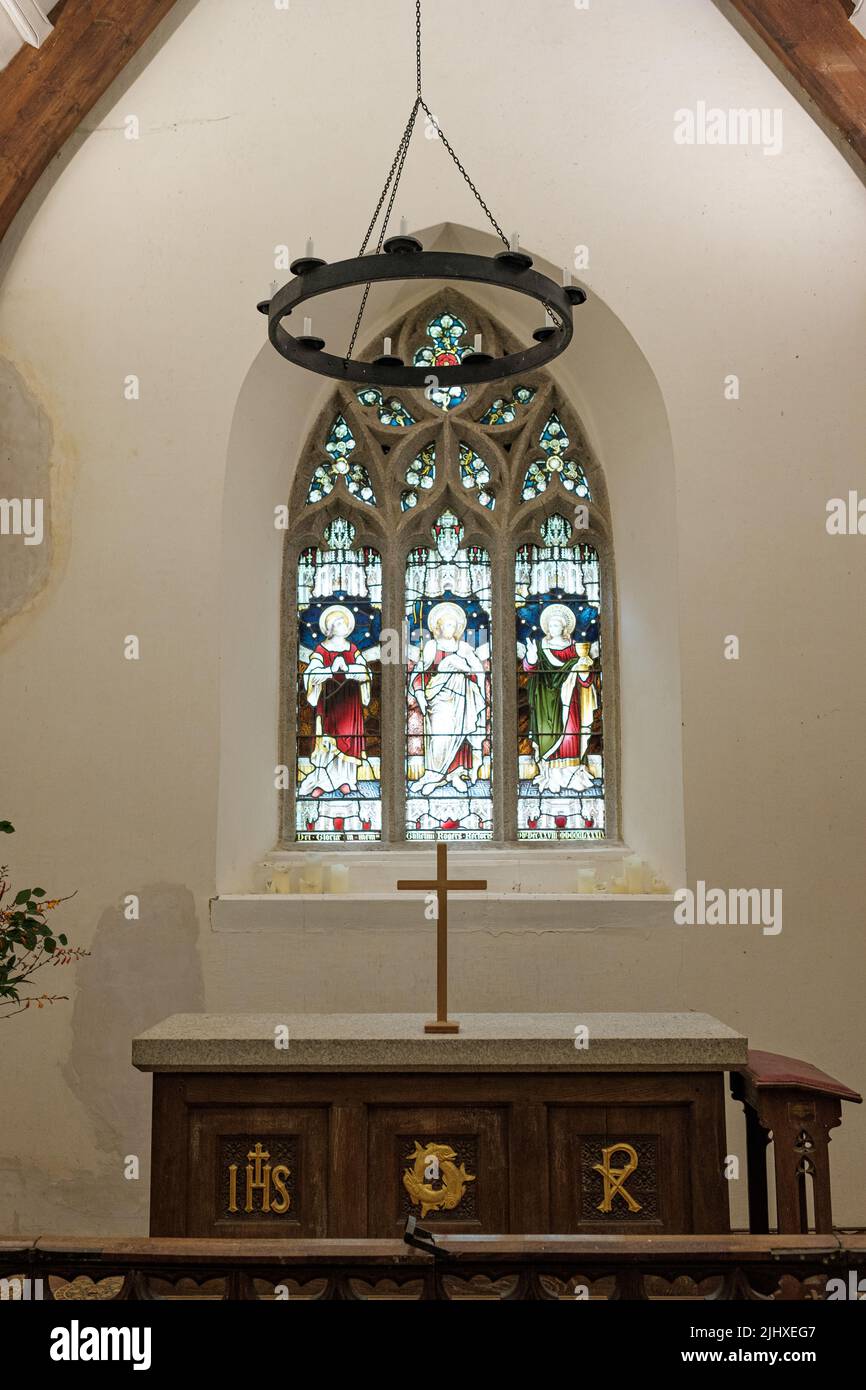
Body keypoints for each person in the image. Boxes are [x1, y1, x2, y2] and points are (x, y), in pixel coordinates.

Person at [408, 602, 487, 794]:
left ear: (458, 628)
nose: (449, 628)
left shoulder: (463, 647)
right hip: (438, 698)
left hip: (462, 697)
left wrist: (466, 669)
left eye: (453, 625)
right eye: (445, 624)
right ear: (438, 627)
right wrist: (420, 695)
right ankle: (433, 775)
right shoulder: (432, 646)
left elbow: (478, 669)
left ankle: (456, 774)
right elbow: (421, 671)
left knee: (460, 735)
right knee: (439, 736)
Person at [522, 603, 598, 793]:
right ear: (547, 627)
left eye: (559, 625)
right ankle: (551, 776)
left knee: (571, 733)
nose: (555, 628)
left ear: (565, 627)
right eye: (552, 625)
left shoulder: (575, 649)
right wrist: (531, 658)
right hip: (544, 701)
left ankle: (572, 775)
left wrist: (583, 668)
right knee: (547, 735)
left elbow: (586, 680)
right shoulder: (540, 647)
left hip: (569, 698)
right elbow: (529, 671)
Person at [298, 605, 372, 797]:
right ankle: (324, 781)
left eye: (344, 622)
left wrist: (348, 668)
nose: (342, 625)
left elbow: (365, 672)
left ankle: (346, 780)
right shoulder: (322, 649)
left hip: (350, 700)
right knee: (327, 742)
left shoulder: (353, 649)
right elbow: (311, 673)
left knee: (349, 736)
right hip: (329, 701)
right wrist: (330, 670)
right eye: (338, 622)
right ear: (329, 627)